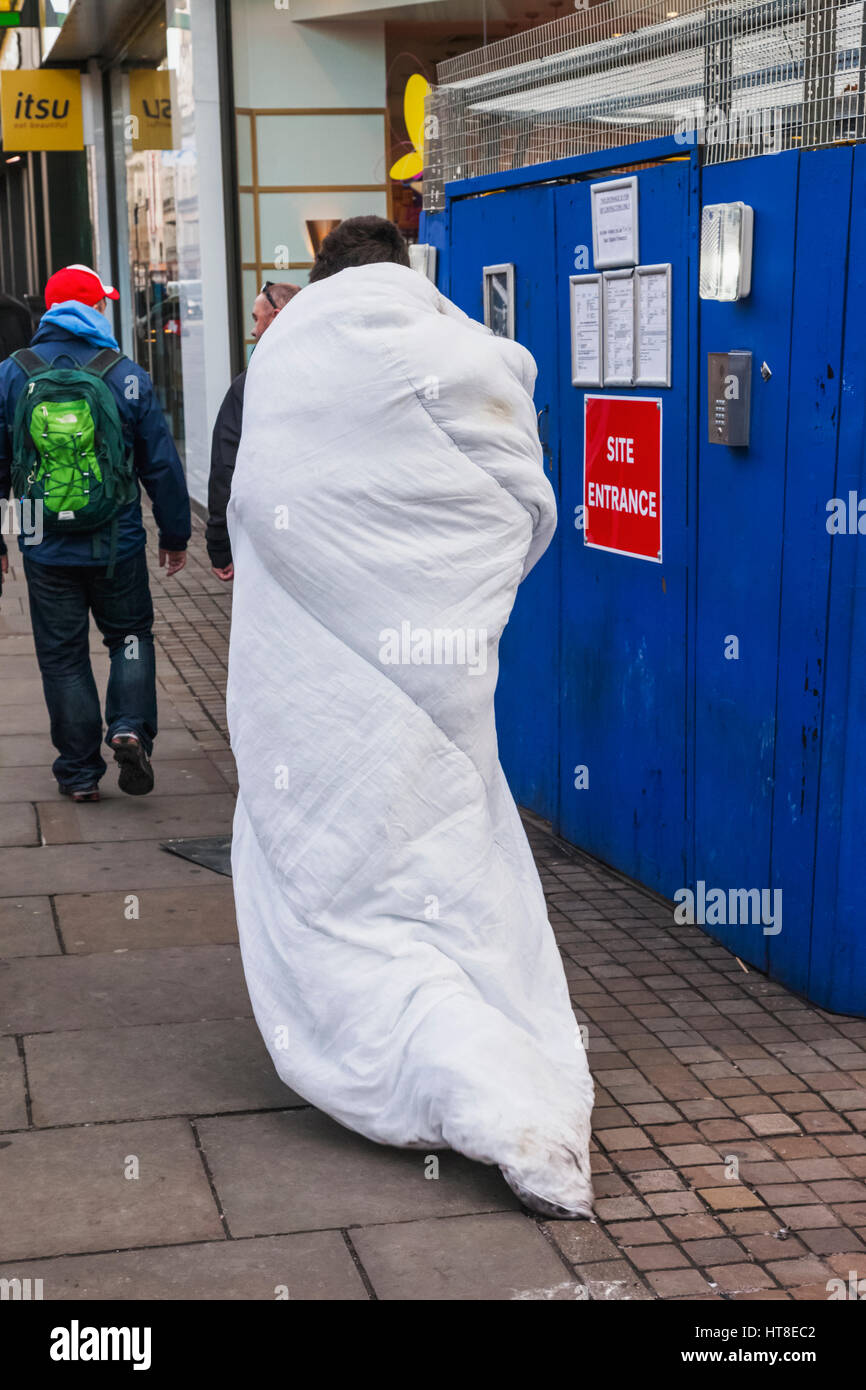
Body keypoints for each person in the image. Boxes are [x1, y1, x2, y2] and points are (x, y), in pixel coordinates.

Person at [225, 216, 595, 1218]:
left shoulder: (288, 353)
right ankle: (480, 1048)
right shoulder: (459, 346)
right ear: (403, 269)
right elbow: (521, 498)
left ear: (320, 274)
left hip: (314, 686)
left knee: (336, 861)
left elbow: (258, 497)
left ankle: (438, 1060)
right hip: (439, 668)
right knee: (444, 841)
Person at [0, 263, 191, 801]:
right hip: (117, 538)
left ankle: (80, 774)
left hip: (42, 539)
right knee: (128, 637)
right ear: (93, 308)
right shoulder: (124, 372)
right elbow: (162, 465)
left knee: (63, 657)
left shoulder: (14, 373)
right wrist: (174, 536)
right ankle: (129, 727)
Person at [206, 281, 299, 580]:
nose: (253, 331)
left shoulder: (251, 385)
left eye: (256, 319)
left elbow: (226, 464)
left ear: (276, 316)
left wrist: (219, 541)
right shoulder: (334, 374)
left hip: (268, 534)